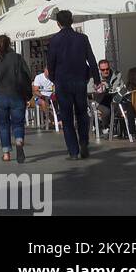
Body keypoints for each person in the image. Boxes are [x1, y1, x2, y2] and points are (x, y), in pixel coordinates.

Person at [47, 11, 100, 160]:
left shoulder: (54, 40)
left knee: (67, 116)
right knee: (82, 113)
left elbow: (50, 63)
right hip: (80, 81)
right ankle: (83, 142)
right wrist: (96, 79)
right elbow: (92, 59)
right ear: (71, 21)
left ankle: (73, 151)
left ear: (58, 23)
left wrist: (54, 78)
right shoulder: (82, 38)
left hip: (62, 82)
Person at [0, 35, 31, 163]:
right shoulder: (17, 57)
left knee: (3, 125)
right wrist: (27, 93)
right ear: (9, 44)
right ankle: (19, 142)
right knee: (18, 123)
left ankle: (6, 154)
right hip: (16, 95)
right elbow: (27, 75)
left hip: (0, 96)